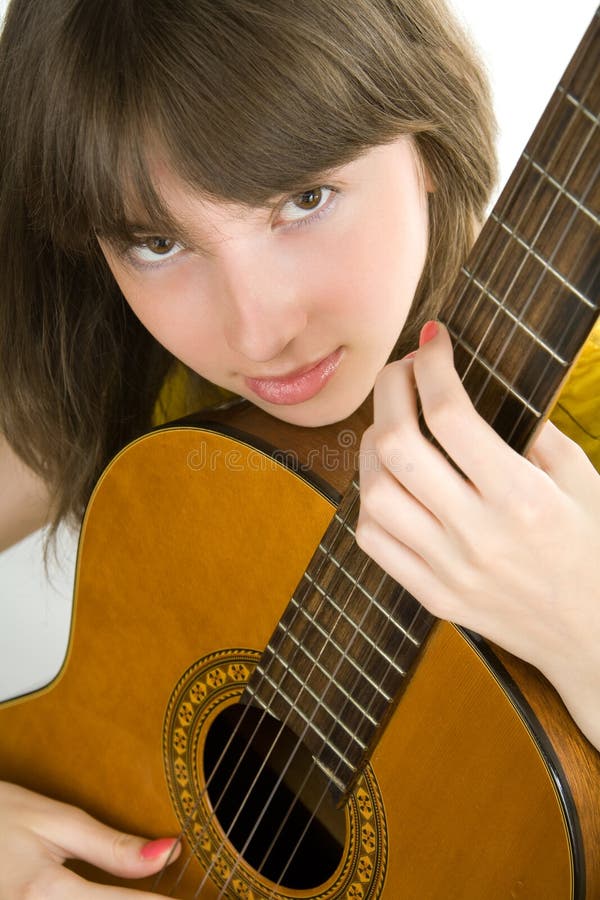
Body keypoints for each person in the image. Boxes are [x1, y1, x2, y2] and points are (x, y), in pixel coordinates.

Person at [0, 0, 598, 896]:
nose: (256, 334)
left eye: (304, 199)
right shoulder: (110, 353)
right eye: (158, 241)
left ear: (428, 146)